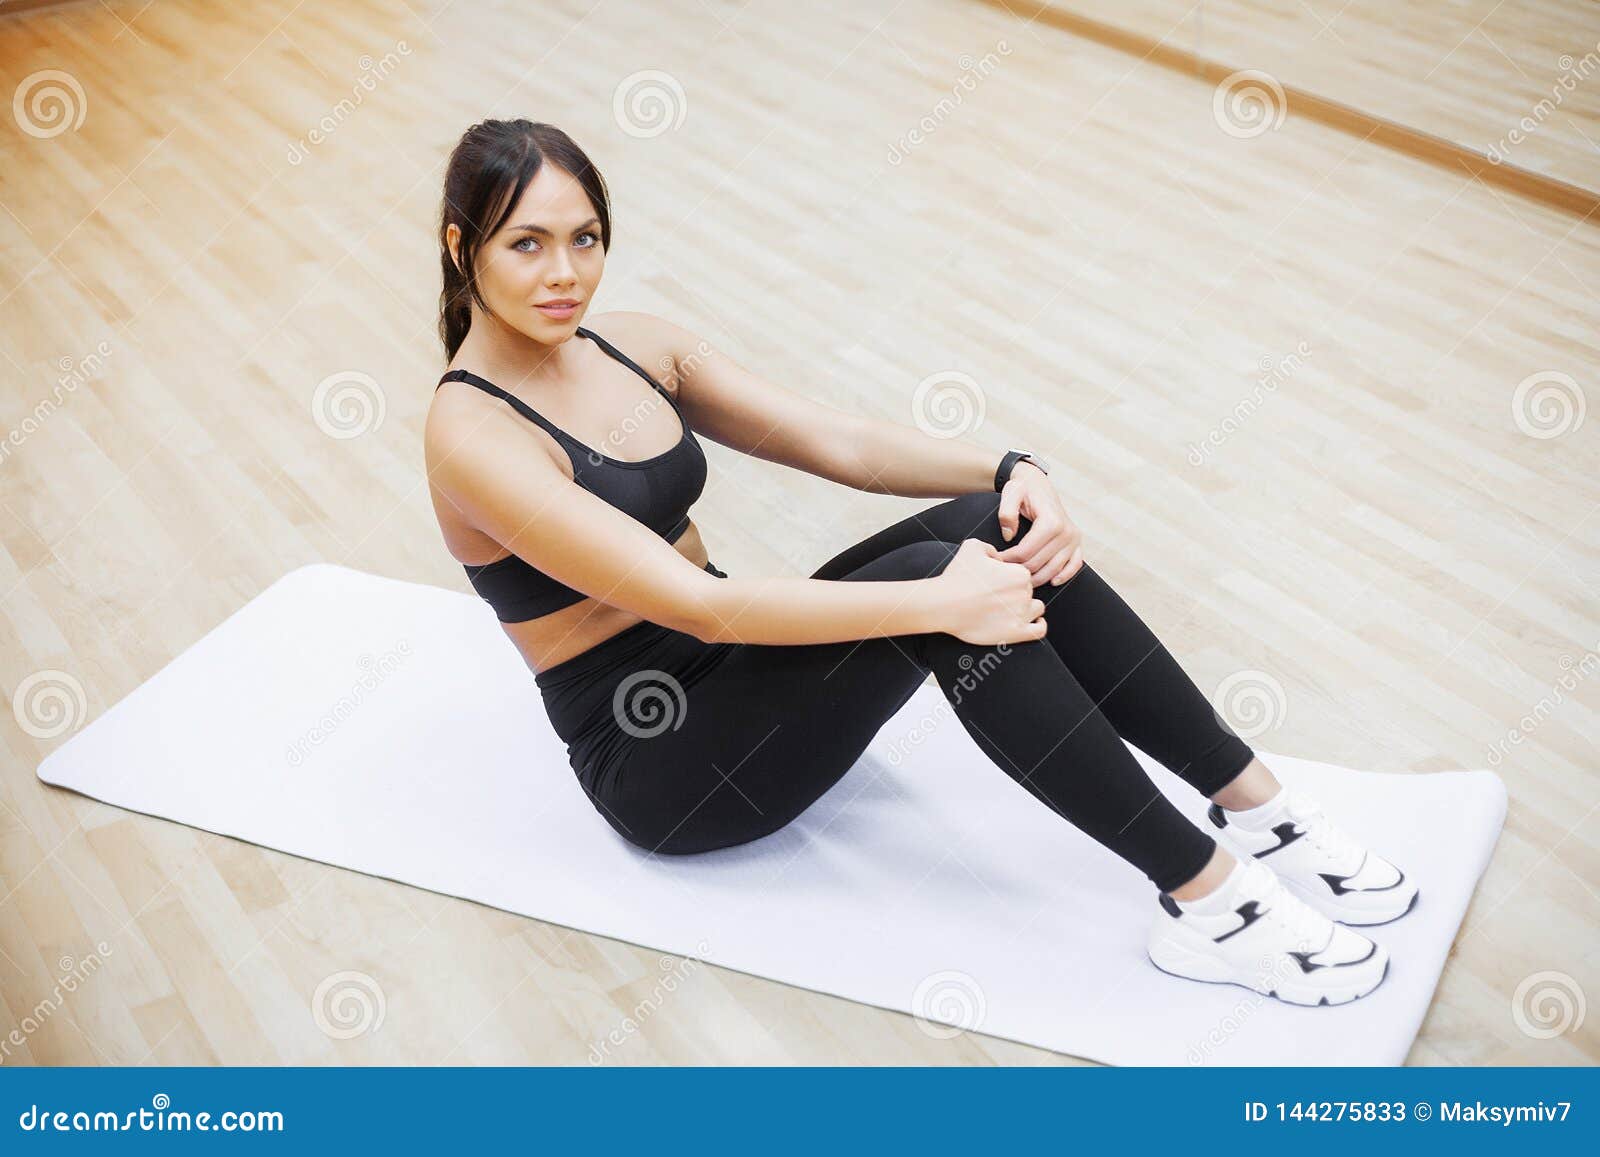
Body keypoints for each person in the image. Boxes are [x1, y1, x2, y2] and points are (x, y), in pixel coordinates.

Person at [423, 119, 1417, 1009]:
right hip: (662, 758)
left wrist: (1011, 463)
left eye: (584, 238)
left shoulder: (633, 347)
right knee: (948, 585)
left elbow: (841, 444)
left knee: (991, 522)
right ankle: (1211, 898)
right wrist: (935, 596)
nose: (565, 272)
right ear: (463, 248)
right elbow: (700, 606)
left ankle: (1262, 811)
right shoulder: (474, 436)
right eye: (527, 243)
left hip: (729, 675)